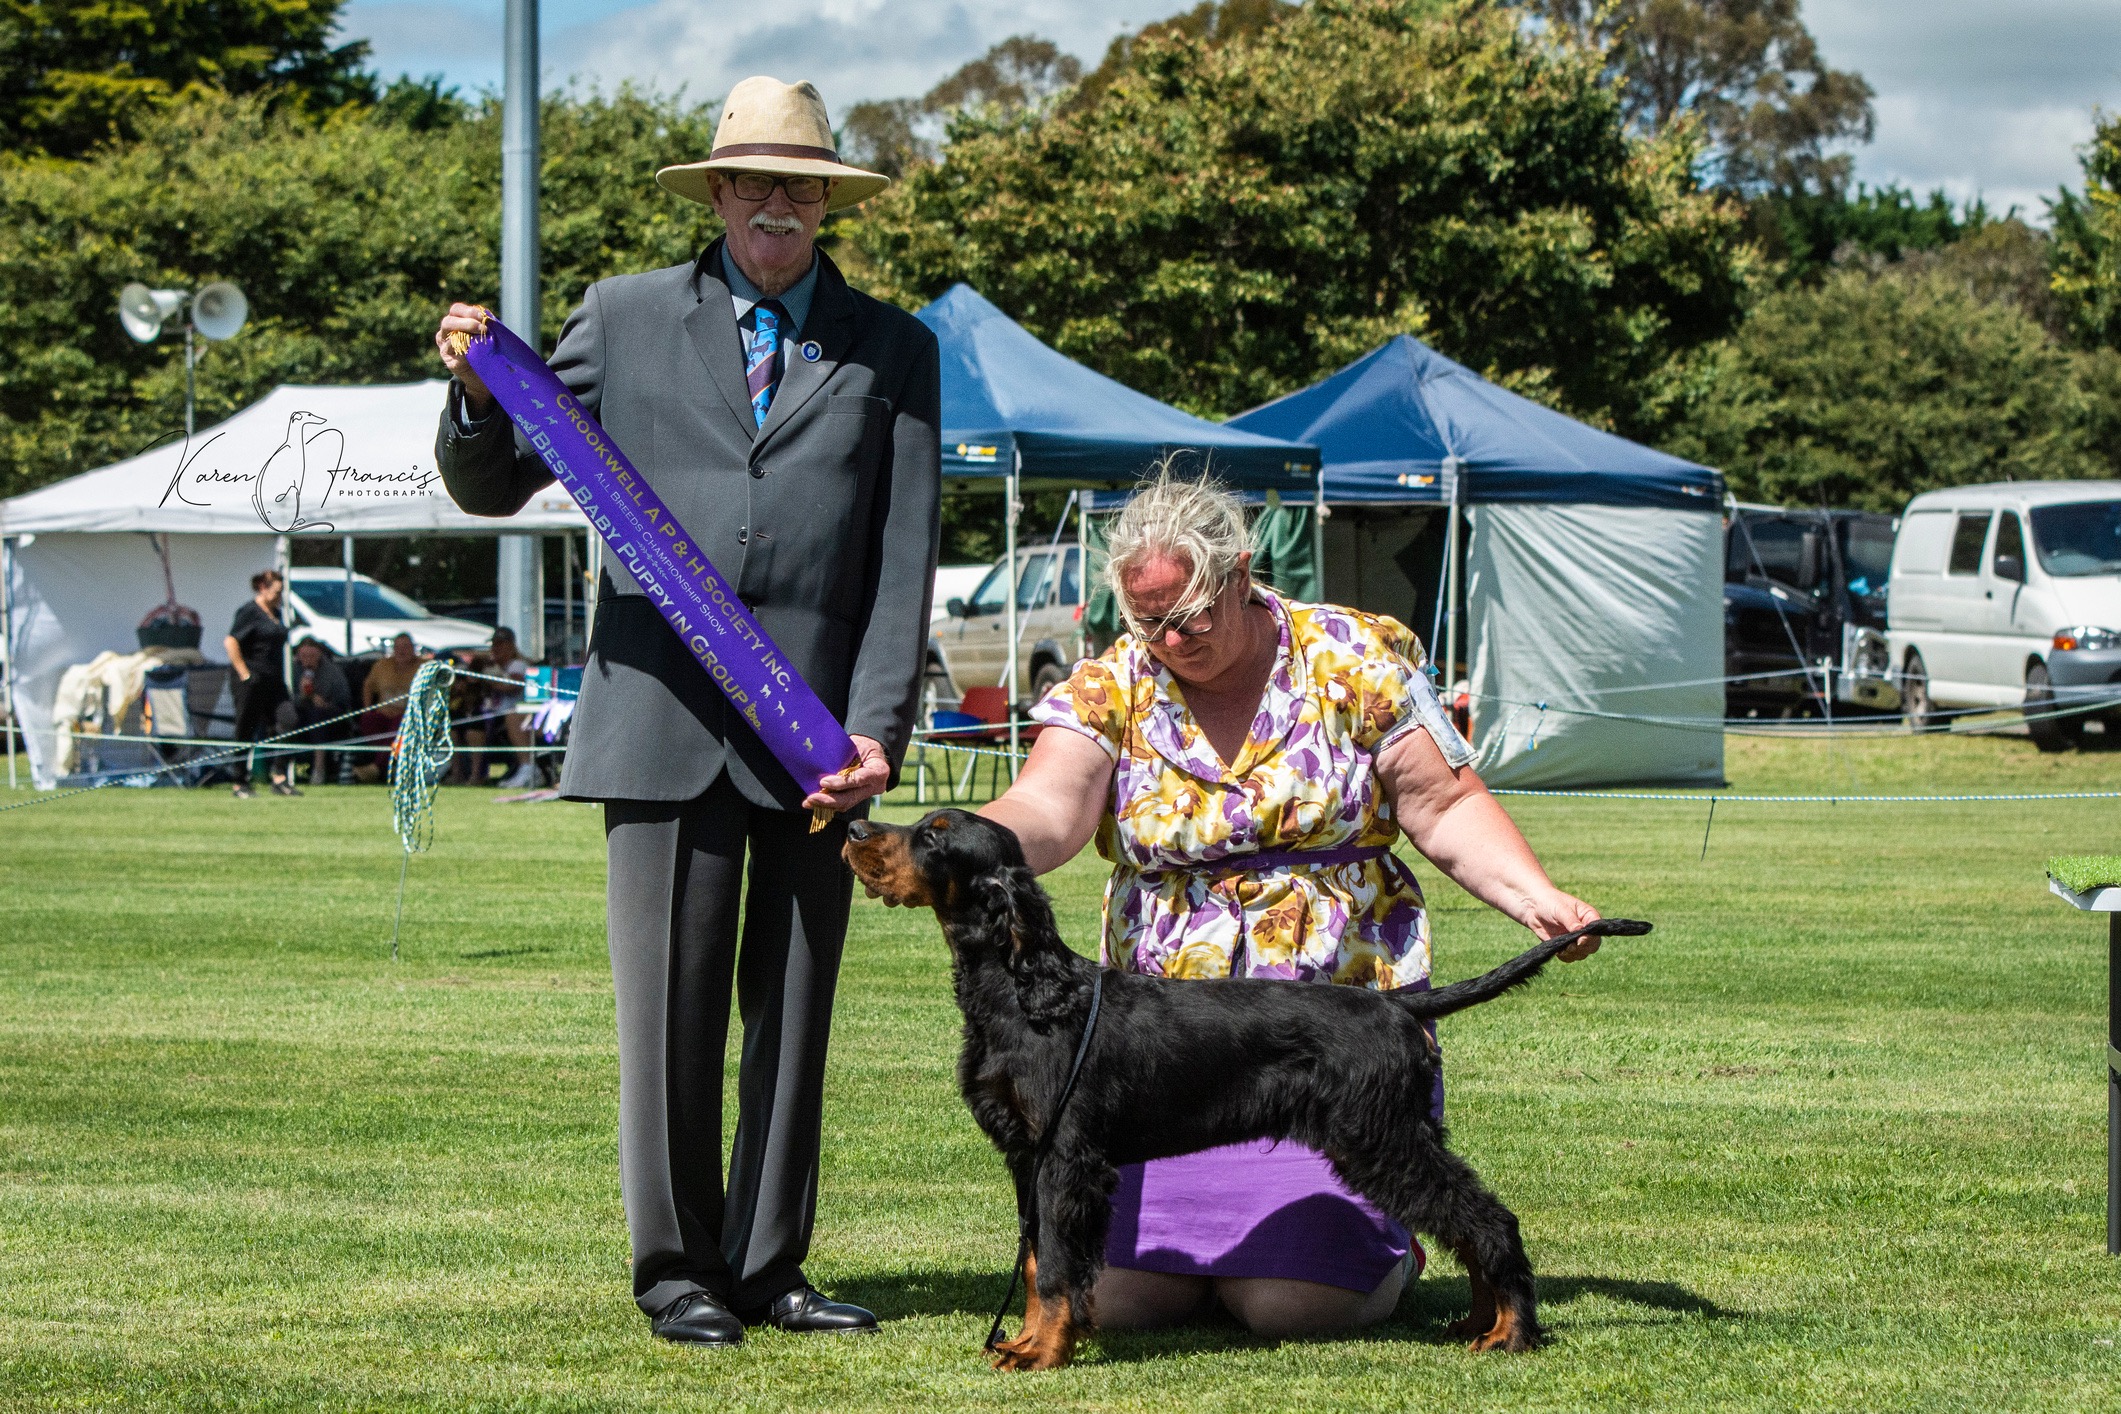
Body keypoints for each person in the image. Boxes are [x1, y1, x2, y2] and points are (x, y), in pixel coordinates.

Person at [430, 76, 939, 1345]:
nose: (780, 202)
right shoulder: (622, 315)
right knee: (670, 1020)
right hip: (657, 726)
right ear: (716, 194)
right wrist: (478, 394)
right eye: (757, 181)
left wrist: (877, 727)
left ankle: (774, 1268)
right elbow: (496, 483)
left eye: (803, 185)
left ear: (828, 203)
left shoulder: (898, 348)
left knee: (798, 1009)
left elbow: (904, 555)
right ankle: (676, 1268)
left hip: (818, 745)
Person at [980, 476, 1601, 1339]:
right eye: (1146, 620)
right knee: (1119, 1305)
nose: (1169, 640)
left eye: (1189, 616)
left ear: (1240, 572)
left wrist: (1537, 900)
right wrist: (963, 839)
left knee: (1291, 1306)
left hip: (1323, 1030)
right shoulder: (1111, 683)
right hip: (1169, 1051)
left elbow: (1444, 804)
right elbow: (1046, 808)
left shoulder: (1353, 653)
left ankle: (1390, 1236)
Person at [223, 568, 295, 798]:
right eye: (276, 591)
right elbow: (231, 642)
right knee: (246, 728)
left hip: (274, 680)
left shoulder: (277, 613)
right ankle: (239, 781)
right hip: (250, 680)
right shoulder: (249, 612)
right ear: (263, 588)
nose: (279, 596)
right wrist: (245, 674)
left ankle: (280, 776)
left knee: (289, 720)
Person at [277, 637, 352, 785]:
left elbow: (344, 700)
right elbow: (285, 699)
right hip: (299, 717)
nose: (308, 660)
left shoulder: (332, 671)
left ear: (319, 655)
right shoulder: (290, 670)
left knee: (317, 716)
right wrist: (303, 697)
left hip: (329, 719)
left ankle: (319, 769)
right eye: (304, 656)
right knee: (288, 718)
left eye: (311, 656)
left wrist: (325, 704)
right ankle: (280, 768)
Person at [481, 627, 537, 789]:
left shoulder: (517, 665)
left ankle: (527, 767)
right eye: (494, 644)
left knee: (511, 718)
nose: (496, 648)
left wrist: (490, 680)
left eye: (500, 644)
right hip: (494, 715)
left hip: (515, 715)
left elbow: (512, 686)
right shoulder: (497, 666)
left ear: (511, 646)